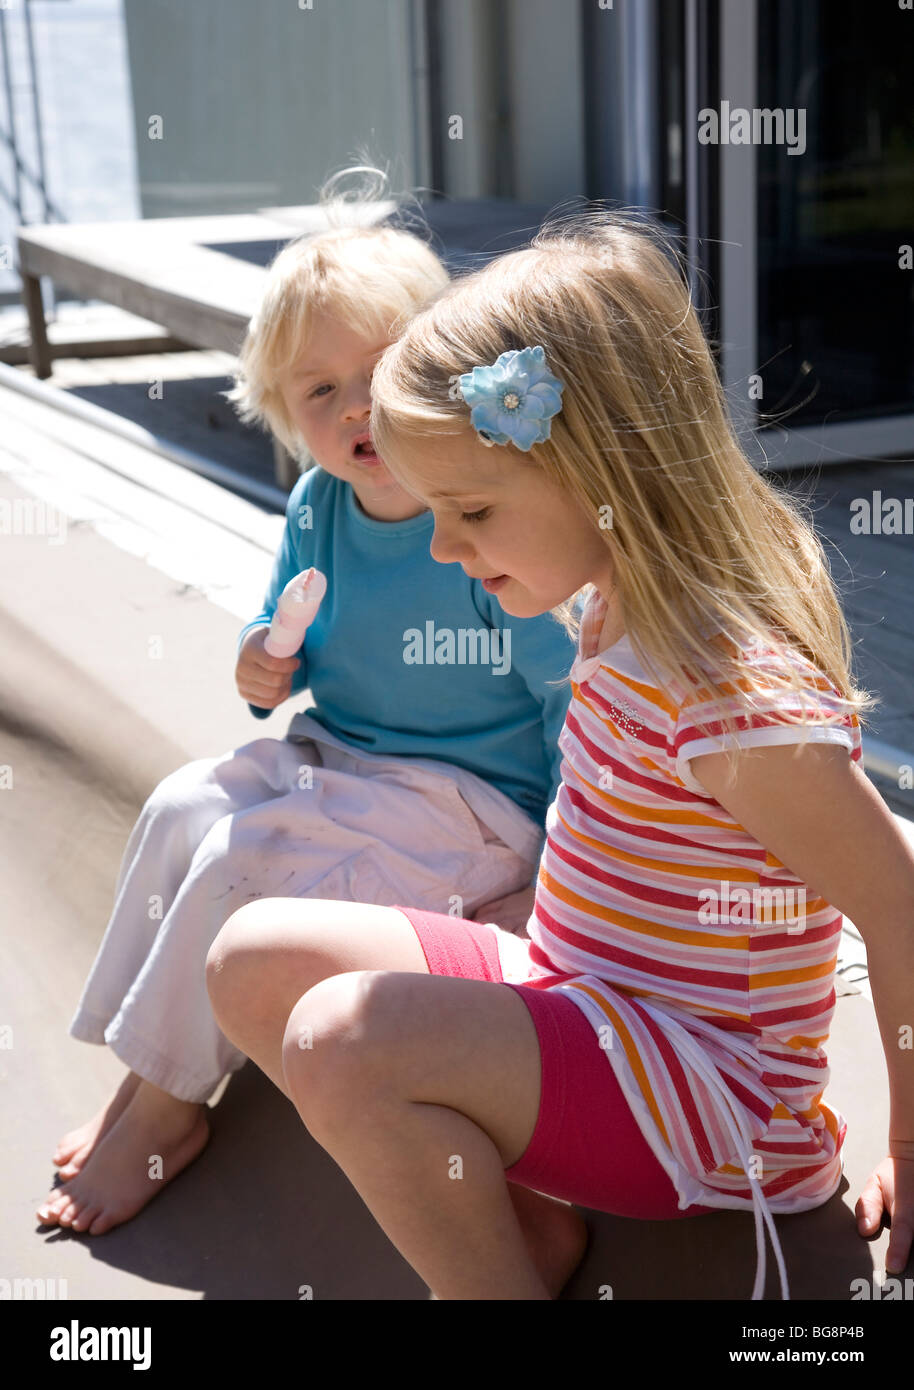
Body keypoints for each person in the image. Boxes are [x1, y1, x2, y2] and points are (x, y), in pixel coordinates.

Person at [204, 208, 914, 1302]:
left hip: (707, 1098)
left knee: (342, 1036)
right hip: (584, 997)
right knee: (248, 956)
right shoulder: (606, 595)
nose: (440, 545)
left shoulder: (732, 694)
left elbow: (898, 905)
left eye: (471, 507)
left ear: (603, 473)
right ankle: (528, 1240)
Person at [36, 195, 578, 1239]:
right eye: (320, 391)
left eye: (381, 377)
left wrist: (553, 879)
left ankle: (166, 1109)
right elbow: (280, 656)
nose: (356, 411)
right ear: (286, 415)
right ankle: (141, 1060)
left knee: (244, 861)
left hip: (469, 808)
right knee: (181, 806)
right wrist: (261, 663)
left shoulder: (475, 517)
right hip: (337, 756)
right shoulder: (315, 510)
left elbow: (568, 706)